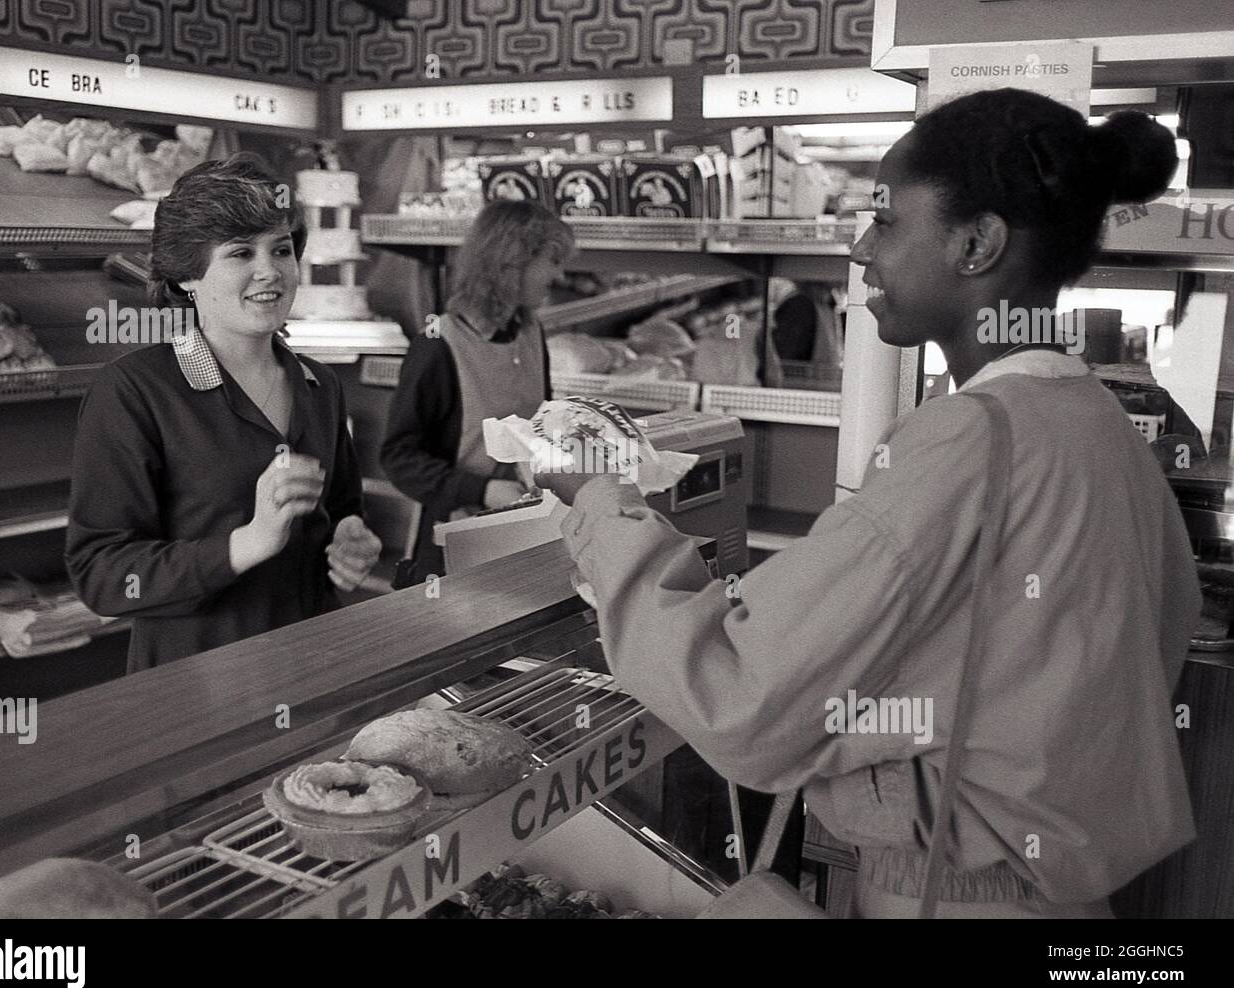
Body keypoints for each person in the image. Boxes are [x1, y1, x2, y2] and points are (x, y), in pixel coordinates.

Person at [538, 89, 1199, 918]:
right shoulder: (1098, 424)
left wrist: (595, 498)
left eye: (885, 222)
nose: (859, 249)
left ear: (976, 243)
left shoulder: (967, 443)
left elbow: (744, 691)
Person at [66, 155, 382, 673]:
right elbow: (101, 573)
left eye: (281, 249)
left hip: (313, 662)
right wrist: (246, 543)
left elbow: (341, 508)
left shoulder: (318, 385)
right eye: (240, 253)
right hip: (195, 683)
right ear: (189, 276)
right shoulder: (135, 392)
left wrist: (346, 538)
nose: (270, 270)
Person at [381, 199, 573, 585]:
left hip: (526, 531)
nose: (560, 274)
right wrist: (481, 489)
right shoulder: (438, 345)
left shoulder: (531, 332)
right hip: (454, 546)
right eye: (552, 260)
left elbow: (539, 422)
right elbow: (399, 456)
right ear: (513, 260)